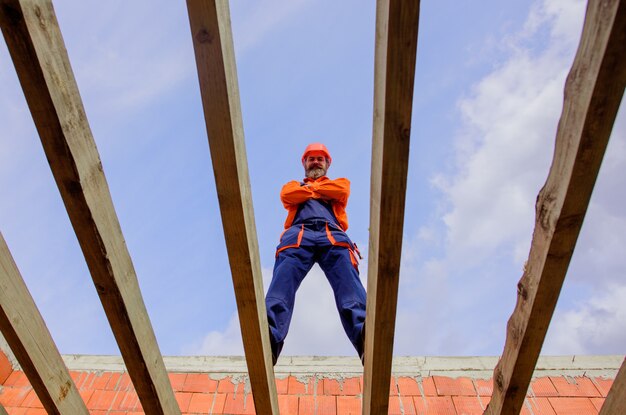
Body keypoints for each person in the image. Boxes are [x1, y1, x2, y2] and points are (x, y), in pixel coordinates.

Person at [265, 143, 367, 365]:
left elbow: (341, 191)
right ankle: (269, 338)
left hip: (333, 235)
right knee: (281, 286)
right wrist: (318, 192)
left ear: (327, 164)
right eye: (311, 159)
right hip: (299, 234)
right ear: (304, 163)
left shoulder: (338, 183)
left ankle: (365, 336)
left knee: (349, 288)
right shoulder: (294, 186)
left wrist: (309, 192)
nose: (316, 162)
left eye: (320, 159)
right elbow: (287, 195)